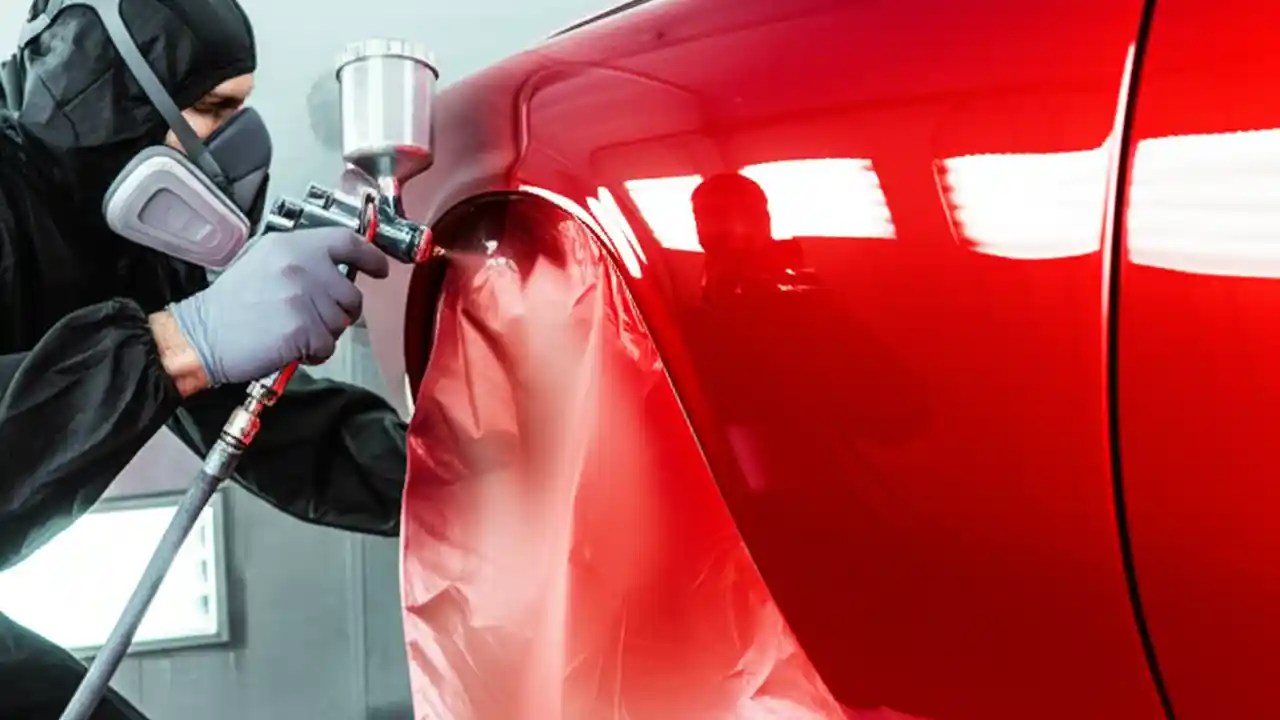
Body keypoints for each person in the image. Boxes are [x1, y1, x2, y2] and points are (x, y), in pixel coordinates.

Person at [0, 0, 409, 717]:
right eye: (213, 110)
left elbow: (273, 424)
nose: (229, 147)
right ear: (111, 94)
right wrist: (179, 343)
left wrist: (462, 487)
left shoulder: (121, 250)